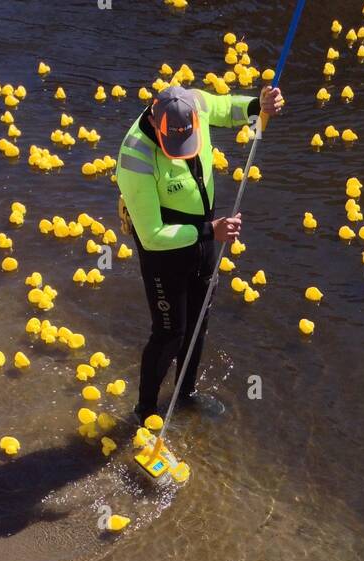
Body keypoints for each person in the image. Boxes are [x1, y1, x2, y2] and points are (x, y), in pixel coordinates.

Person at [116, 82, 284, 424]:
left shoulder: (195, 103)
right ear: (155, 122)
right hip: (166, 249)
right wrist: (211, 231)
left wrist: (258, 105)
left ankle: (186, 393)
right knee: (170, 333)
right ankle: (145, 410)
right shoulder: (135, 156)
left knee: (197, 325)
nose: (184, 151)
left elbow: (227, 109)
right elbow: (152, 236)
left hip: (205, 232)